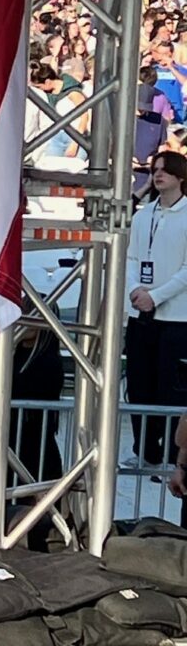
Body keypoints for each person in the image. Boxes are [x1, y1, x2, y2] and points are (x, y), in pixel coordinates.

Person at [124, 149, 187, 466]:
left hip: (177, 318)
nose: (158, 174)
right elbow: (131, 258)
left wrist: (157, 295)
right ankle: (144, 450)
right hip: (141, 316)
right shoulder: (142, 215)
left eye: (165, 169)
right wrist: (136, 289)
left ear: (180, 176)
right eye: (154, 169)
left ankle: (173, 454)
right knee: (139, 384)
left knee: (171, 388)